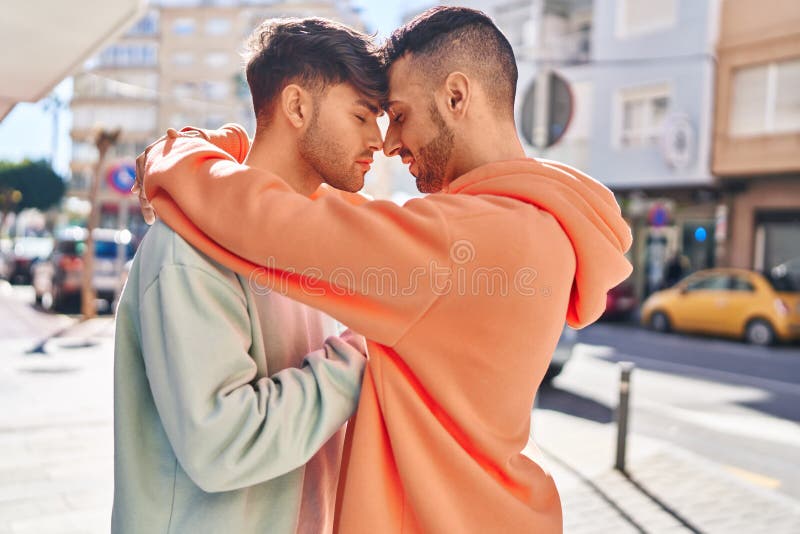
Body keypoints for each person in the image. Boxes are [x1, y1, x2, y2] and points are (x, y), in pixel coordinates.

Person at [136, 7, 632, 533]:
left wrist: (179, 154)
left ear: (456, 97)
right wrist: (240, 146)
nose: (390, 143)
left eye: (397, 113)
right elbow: (309, 205)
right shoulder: (536, 222)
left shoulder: (460, 240)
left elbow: (271, 221)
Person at [112, 18, 388, 533]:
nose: (378, 139)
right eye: (361, 115)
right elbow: (221, 443)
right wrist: (365, 352)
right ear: (298, 106)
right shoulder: (188, 245)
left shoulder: (315, 241)